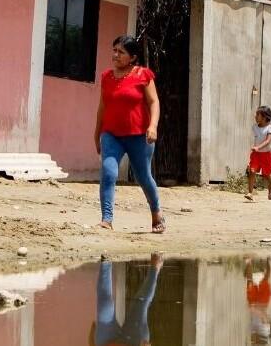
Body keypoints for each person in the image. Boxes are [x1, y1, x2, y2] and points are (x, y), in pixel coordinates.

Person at [95, 35, 164, 233]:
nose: (115, 55)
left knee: (143, 177)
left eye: (121, 52)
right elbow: (102, 107)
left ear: (132, 57)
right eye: (114, 50)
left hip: (139, 136)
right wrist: (97, 133)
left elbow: (154, 102)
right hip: (111, 134)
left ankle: (156, 212)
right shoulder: (107, 76)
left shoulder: (143, 75)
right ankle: (106, 219)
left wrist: (153, 126)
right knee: (109, 172)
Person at [93, 254, 161, 346]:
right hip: (134, 341)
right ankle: (155, 267)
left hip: (107, 340)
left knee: (105, 305)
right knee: (140, 303)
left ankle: (106, 260)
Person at [246, 106, 271, 201]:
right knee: (252, 171)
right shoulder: (255, 127)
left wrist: (258, 147)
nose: (255, 116)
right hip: (256, 155)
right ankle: (250, 193)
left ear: (264, 117)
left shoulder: (270, 128)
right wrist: (255, 149)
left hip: (266, 155)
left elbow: (268, 141)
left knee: (266, 174)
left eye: (257, 114)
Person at [244, 256, 271, 345]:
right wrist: (255, 310)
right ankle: (268, 261)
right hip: (262, 302)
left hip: (253, 302)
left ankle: (248, 261)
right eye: (254, 342)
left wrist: (252, 308)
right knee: (265, 280)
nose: (252, 342)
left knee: (250, 281)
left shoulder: (253, 334)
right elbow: (265, 317)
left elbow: (252, 325)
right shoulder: (265, 332)